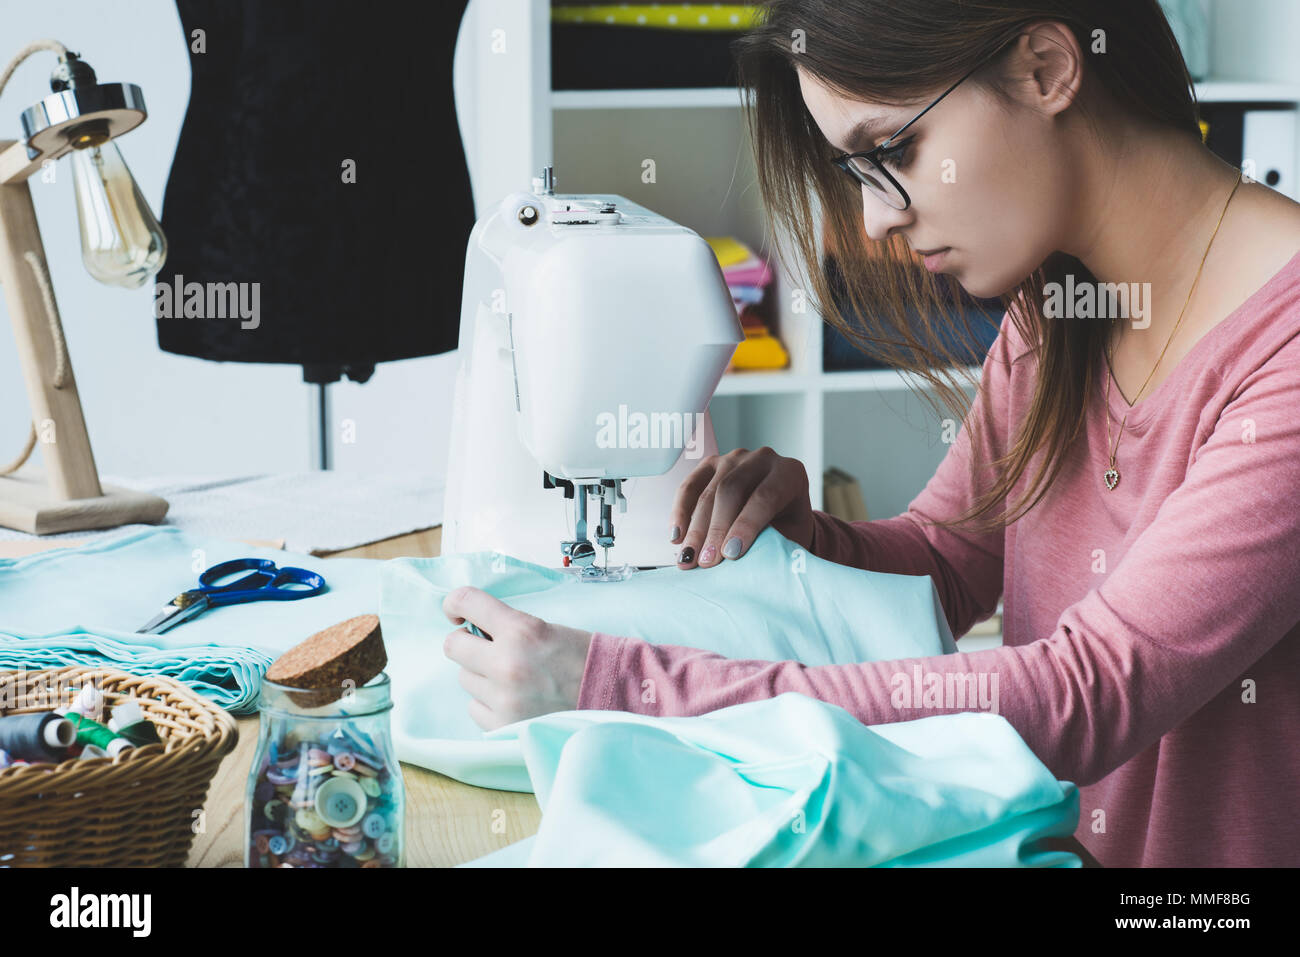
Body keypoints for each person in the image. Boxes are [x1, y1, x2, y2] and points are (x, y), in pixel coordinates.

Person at [441, 0, 1300, 867]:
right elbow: (946, 561)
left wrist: (626, 688)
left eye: (892, 152)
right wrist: (808, 540)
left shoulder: (1286, 354)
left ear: (1046, 68)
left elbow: (1088, 693)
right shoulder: (1062, 307)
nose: (874, 223)